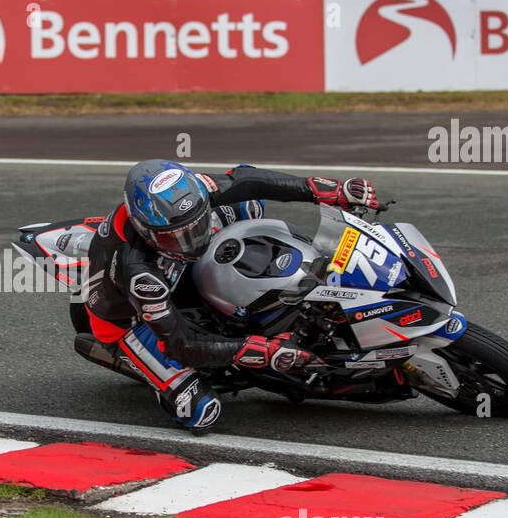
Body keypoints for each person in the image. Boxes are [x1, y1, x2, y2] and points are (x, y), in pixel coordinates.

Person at [77, 159, 380, 433]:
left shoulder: (188, 192)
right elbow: (180, 345)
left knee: (249, 203)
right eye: (175, 236)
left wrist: (326, 190)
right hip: (129, 322)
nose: (193, 242)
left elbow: (249, 179)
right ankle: (138, 363)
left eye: (196, 226)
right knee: (199, 412)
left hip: (175, 270)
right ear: (145, 229)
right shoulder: (140, 274)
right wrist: (252, 349)